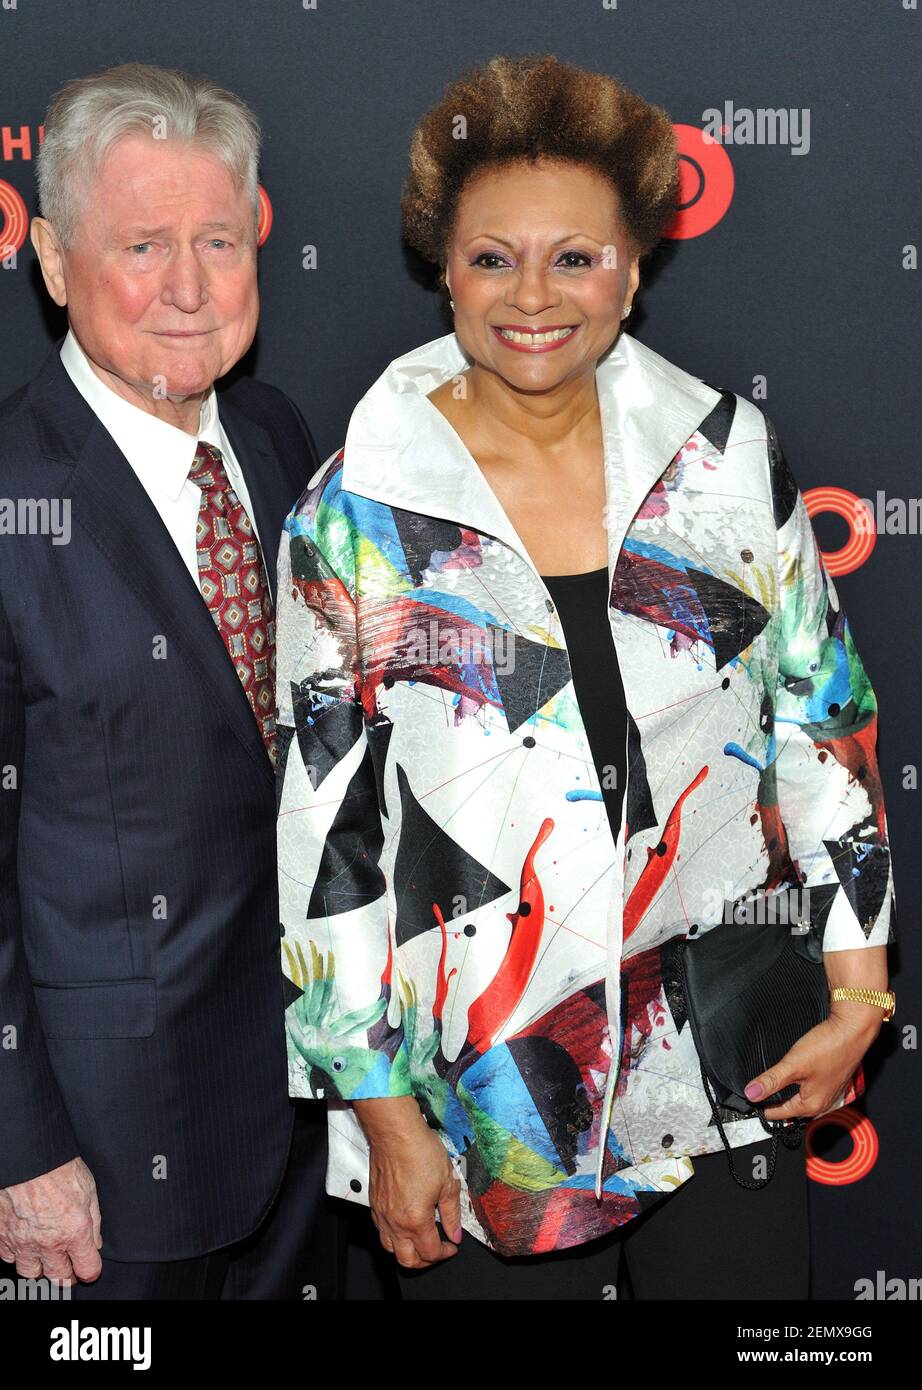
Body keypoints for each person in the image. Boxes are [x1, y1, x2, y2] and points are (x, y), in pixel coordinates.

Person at [274, 54, 897, 1300]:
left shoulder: (722, 459)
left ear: (633, 270)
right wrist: (384, 1115)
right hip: (485, 1094)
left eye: (576, 256)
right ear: (441, 269)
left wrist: (860, 993)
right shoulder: (356, 513)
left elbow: (819, 722)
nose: (532, 297)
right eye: (492, 257)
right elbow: (325, 837)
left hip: (728, 1044)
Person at [0, 62, 342, 1300]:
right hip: (98, 1168)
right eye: (143, 245)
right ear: (49, 257)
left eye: (217, 240)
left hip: (307, 1129)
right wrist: (20, 1149)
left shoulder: (278, 438)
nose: (189, 291)